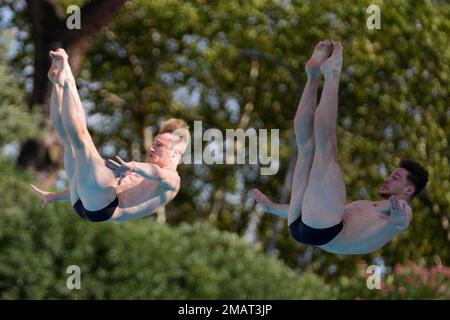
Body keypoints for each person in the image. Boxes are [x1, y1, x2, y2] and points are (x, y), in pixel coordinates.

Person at [253, 40, 429, 254]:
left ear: (409, 190)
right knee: (307, 146)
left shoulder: (402, 210)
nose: (387, 178)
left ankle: (333, 73)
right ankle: (313, 76)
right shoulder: (369, 206)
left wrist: (400, 217)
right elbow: (318, 206)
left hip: (323, 230)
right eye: (391, 175)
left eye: (396, 178)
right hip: (301, 223)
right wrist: (272, 208)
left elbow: (402, 222)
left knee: (328, 150)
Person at [31, 48, 190, 222]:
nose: (152, 147)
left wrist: (133, 166)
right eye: (154, 143)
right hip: (82, 201)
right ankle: (57, 84)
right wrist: (55, 196)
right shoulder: (142, 170)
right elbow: (91, 185)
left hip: (105, 207)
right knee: (68, 139)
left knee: (82, 139)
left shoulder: (172, 181)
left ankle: (68, 79)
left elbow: (158, 174)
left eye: (159, 145)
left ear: (176, 152)